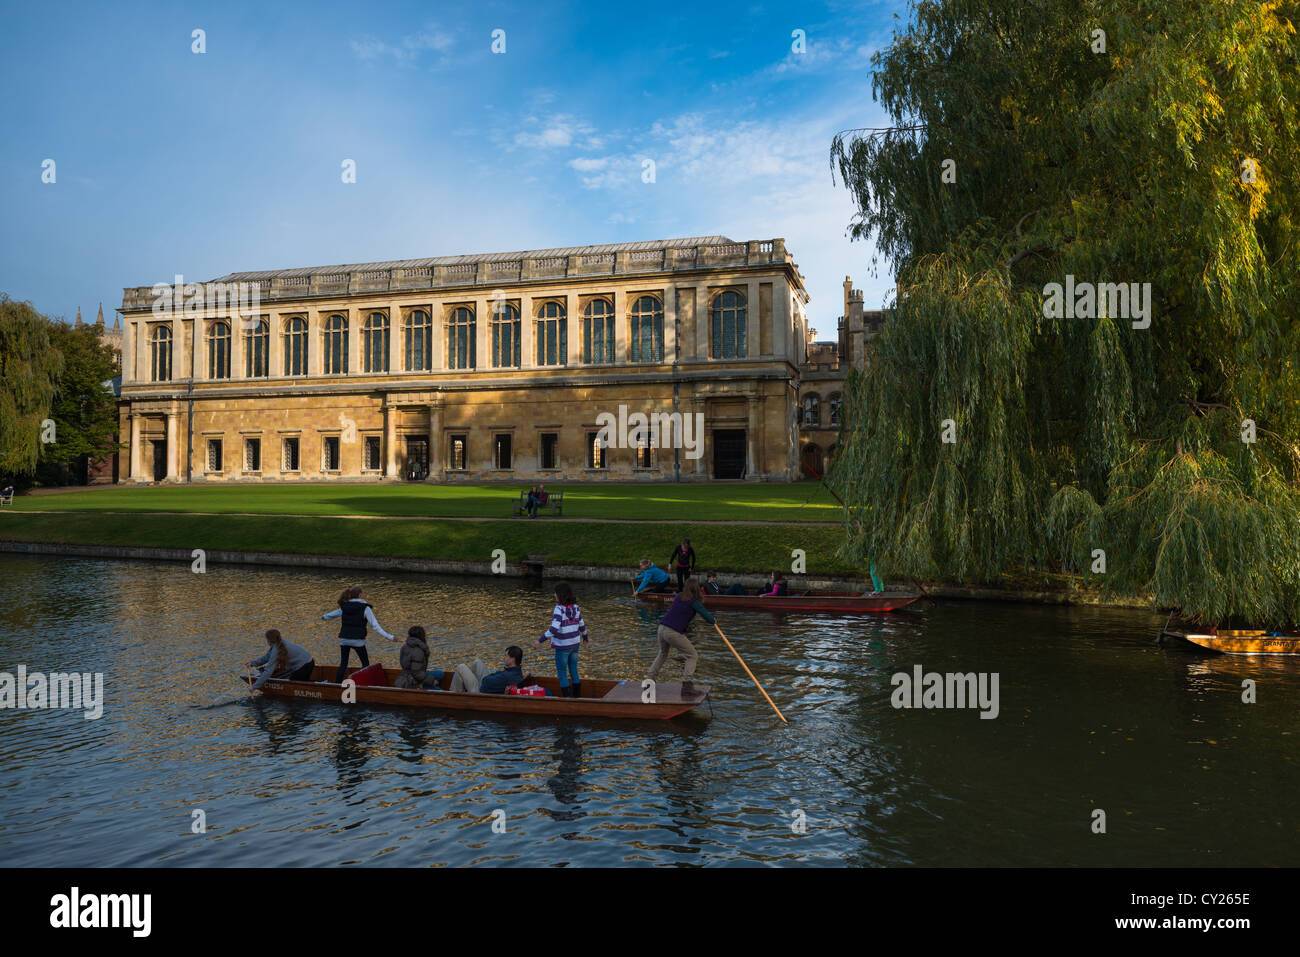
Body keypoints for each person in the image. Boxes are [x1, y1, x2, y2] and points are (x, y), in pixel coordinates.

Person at [647, 577, 715, 698]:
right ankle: (687, 687)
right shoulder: (694, 601)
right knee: (692, 655)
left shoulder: (679, 596)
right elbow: (708, 618)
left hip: (661, 628)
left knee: (662, 653)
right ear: (697, 589)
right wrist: (714, 620)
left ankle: (649, 680)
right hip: (672, 632)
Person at [322, 586, 396, 683]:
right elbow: (375, 626)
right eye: (363, 594)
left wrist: (324, 617)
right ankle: (365, 685)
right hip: (357, 640)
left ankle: (337, 684)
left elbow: (332, 614)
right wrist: (390, 637)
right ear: (360, 595)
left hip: (344, 639)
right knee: (365, 663)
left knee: (343, 664)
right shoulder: (365, 608)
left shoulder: (345, 606)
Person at [537, 581, 589, 697]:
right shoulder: (576, 608)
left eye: (555, 593)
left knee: (562, 674)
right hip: (575, 645)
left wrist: (540, 640)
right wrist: (585, 637)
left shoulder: (558, 609)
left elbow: (554, 628)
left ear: (560, 595)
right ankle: (576, 697)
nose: (554, 595)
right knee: (574, 671)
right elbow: (582, 625)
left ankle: (567, 700)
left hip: (562, 647)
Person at [246, 629, 315, 690]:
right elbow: (266, 657)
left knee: (294, 684)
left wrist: (254, 687)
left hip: (304, 667)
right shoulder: (279, 643)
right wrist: (252, 663)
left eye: (266, 639)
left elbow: (268, 671)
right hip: (310, 662)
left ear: (269, 640)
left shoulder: (276, 650)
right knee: (303, 682)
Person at [448, 645, 524, 694]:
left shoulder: (507, 676)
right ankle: (462, 682)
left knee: (461, 667)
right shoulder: (516, 671)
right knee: (478, 662)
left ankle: (452, 693)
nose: (504, 658)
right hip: (487, 685)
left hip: (480, 693)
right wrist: (494, 675)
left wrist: (493, 675)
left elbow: (486, 681)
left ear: (512, 659)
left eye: (506, 655)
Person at [394, 625, 444, 690]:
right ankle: (422, 686)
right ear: (421, 636)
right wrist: (432, 681)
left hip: (410, 675)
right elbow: (416, 673)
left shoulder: (405, 646)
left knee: (440, 673)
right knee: (439, 691)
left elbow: (413, 669)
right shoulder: (418, 651)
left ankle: (425, 684)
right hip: (413, 681)